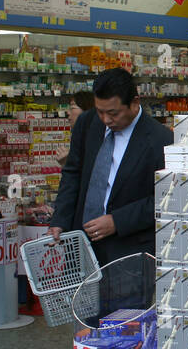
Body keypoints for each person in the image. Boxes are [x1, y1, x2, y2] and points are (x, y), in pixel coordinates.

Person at [49, 67, 173, 265]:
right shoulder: (87, 123)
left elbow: (166, 199)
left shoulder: (162, 140)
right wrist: (60, 220)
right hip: (81, 245)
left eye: (113, 113)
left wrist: (118, 221)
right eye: (100, 112)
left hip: (129, 251)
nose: (106, 120)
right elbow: (73, 173)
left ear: (134, 103)